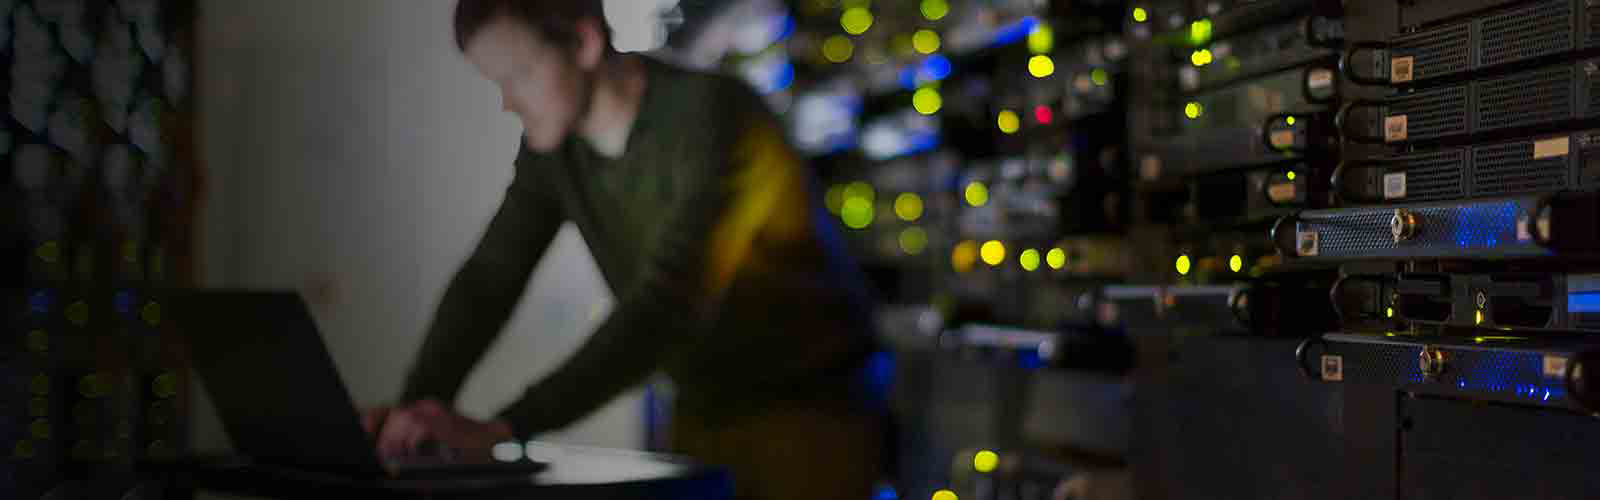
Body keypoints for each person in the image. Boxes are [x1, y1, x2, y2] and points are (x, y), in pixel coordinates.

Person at [360, 1, 887, 499]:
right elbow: (490, 278)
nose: (508, 101)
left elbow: (668, 305)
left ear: (585, 42)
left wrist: (504, 429)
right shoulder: (555, 149)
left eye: (517, 76)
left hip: (813, 414)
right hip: (702, 412)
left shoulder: (715, 117)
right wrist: (413, 413)